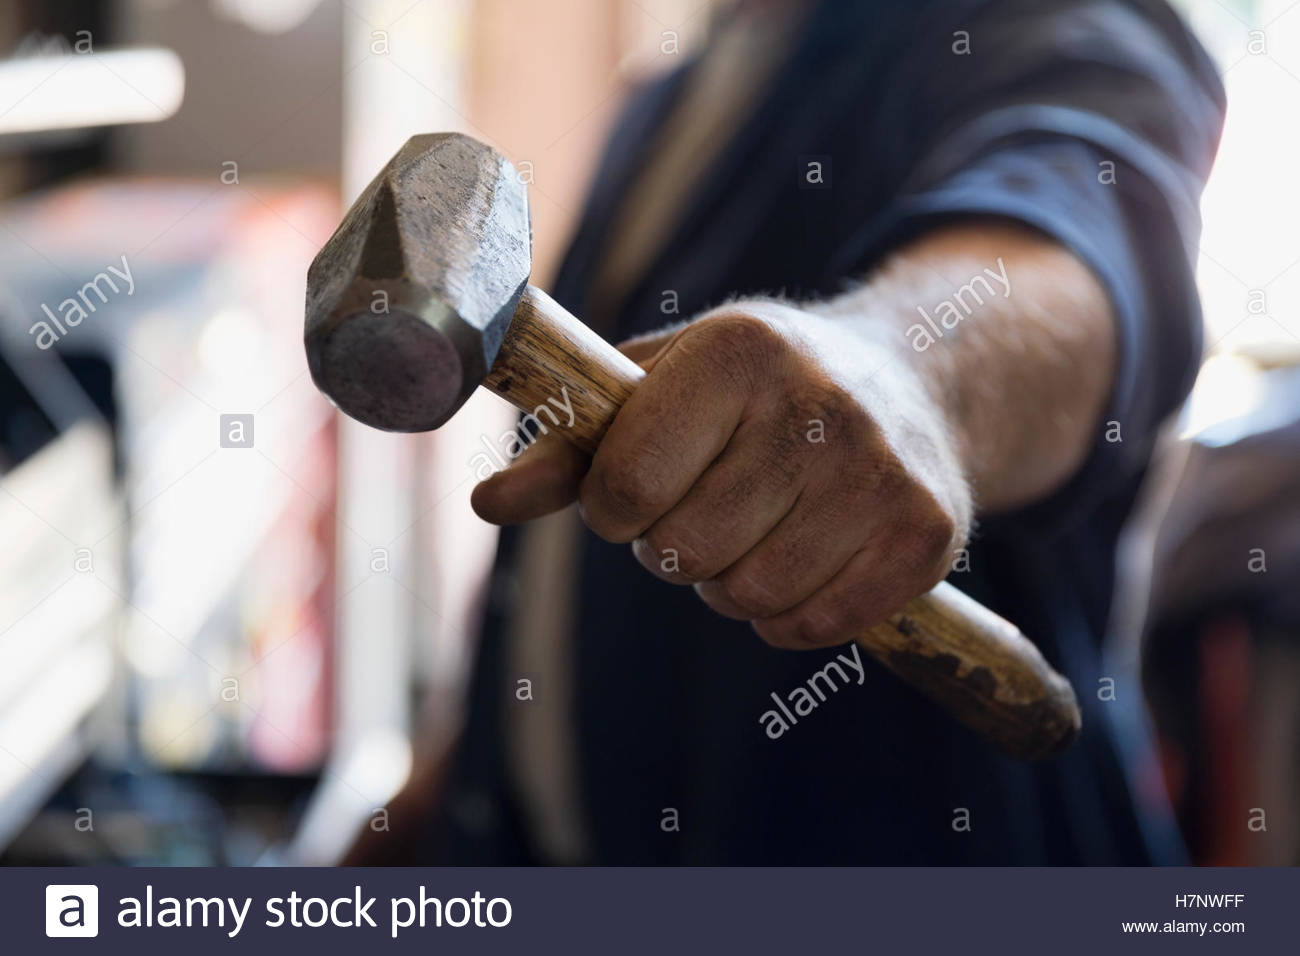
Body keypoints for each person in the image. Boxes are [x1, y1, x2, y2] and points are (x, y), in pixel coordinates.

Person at [408, 0, 1224, 864]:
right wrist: (450, 783)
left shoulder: (1048, 25)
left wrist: (905, 372)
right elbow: (569, 557)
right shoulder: (667, 96)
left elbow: (1072, 258)